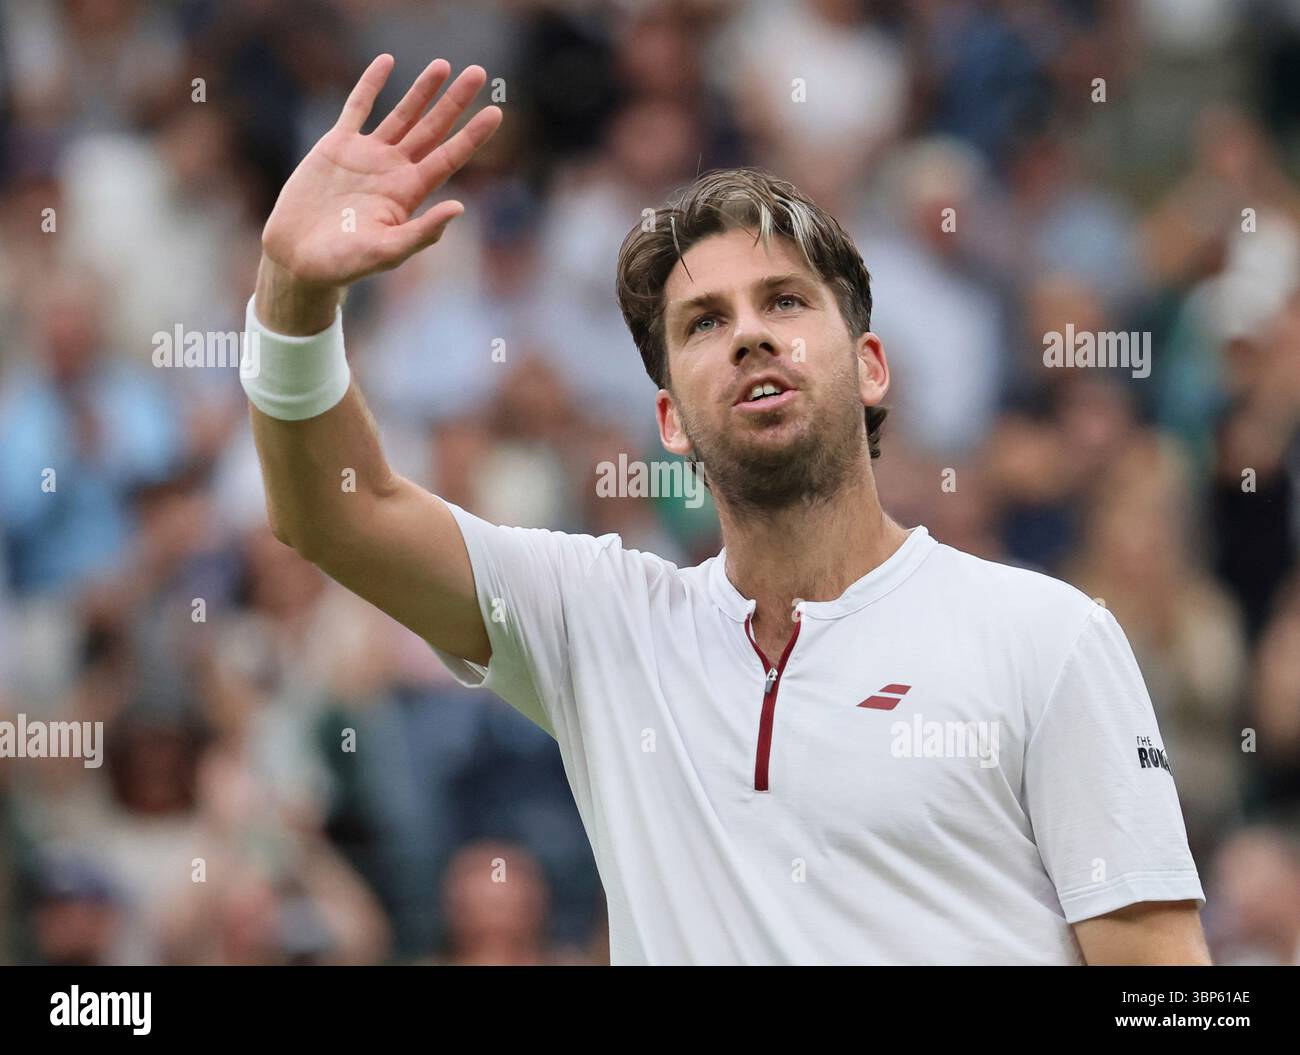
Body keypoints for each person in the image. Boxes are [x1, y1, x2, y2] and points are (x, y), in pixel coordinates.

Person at [240, 55, 1210, 965]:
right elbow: (340, 512)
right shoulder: (601, 623)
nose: (748, 334)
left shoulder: (1046, 636)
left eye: (784, 302)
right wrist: (291, 295)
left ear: (868, 367)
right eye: (704, 323)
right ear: (668, 418)